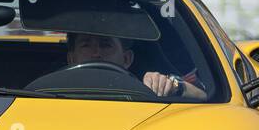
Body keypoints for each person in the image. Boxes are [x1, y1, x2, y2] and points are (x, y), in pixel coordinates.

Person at [65, 32, 207, 100]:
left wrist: (174, 86)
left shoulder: (146, 91)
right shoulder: (45, 93)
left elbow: (208, 98)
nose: (96, 53)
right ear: (71, 59)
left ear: (127, 59)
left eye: (105, 45)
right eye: (86, 45)